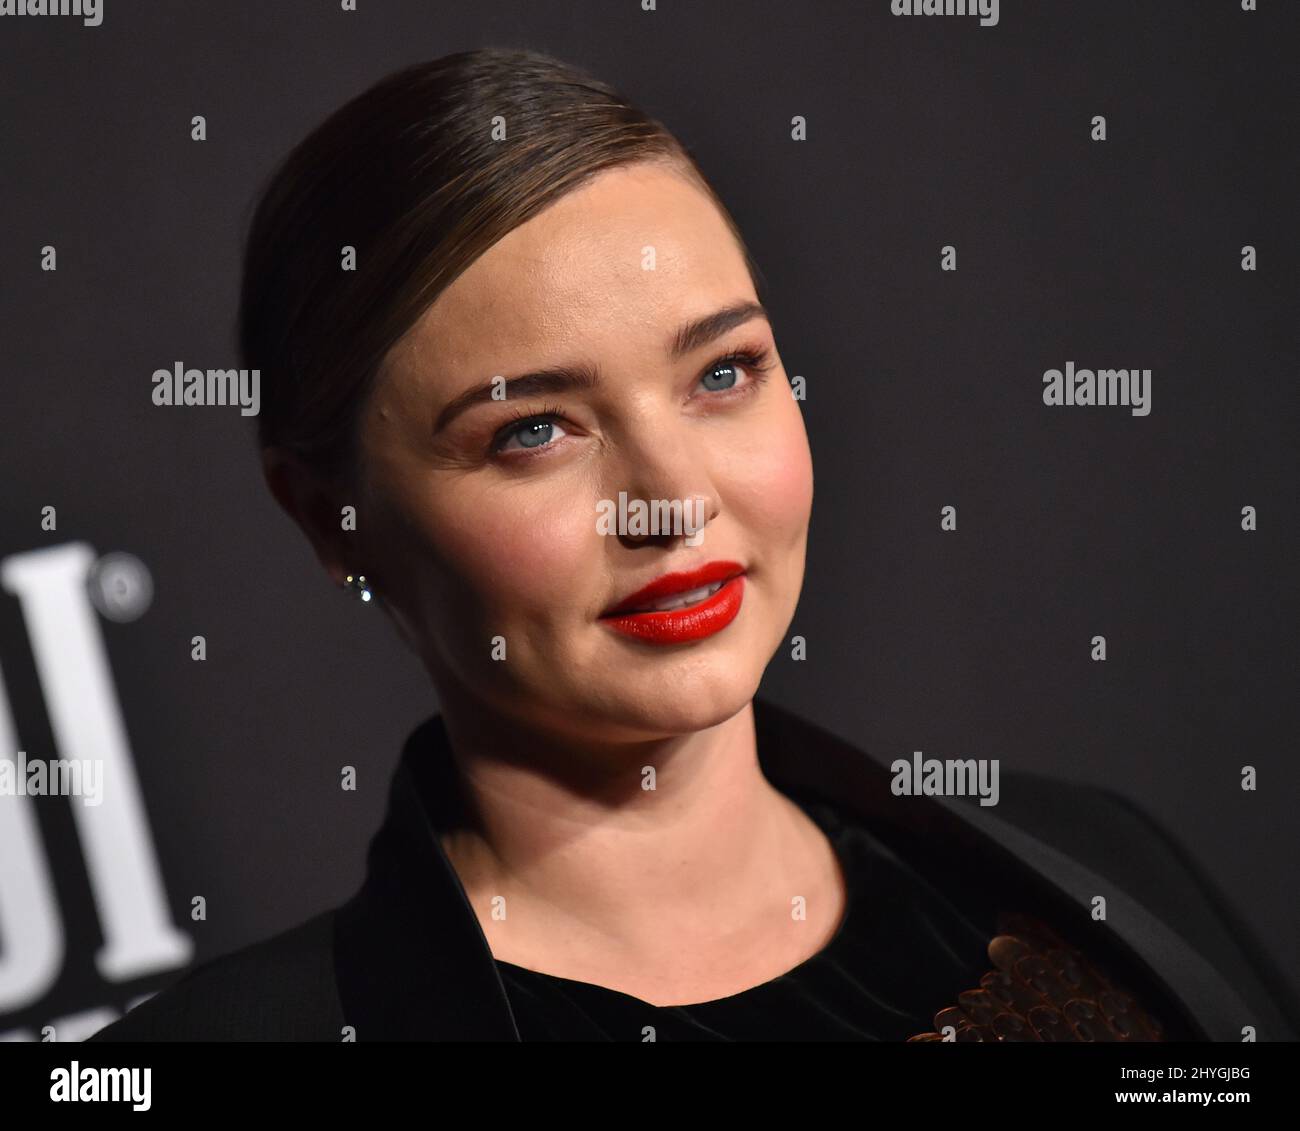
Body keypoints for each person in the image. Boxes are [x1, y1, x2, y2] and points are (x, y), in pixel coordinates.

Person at [89, 46, 1296, 1043]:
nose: (671, 501)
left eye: (723, 373)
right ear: (324, 512)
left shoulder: (1095, 868)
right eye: (533, 432)